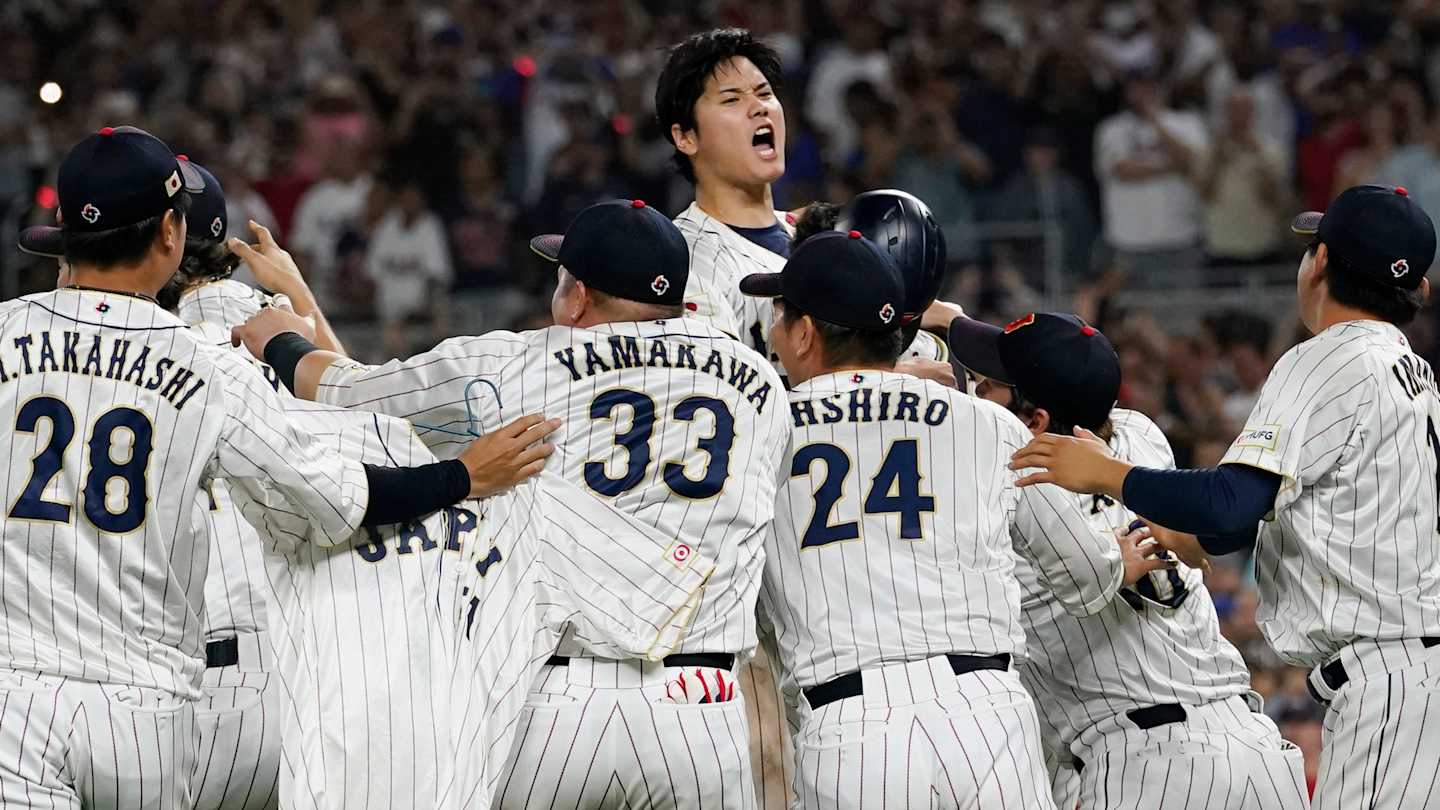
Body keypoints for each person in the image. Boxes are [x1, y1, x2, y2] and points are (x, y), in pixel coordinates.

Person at [0, 126, 537, 810]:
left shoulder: (6, 332)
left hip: (15, 693)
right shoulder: (208, 363)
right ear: (169, 232)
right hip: (144, 711)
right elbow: (337, 496)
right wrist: (461, 476)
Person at [232, 198, 792, 809]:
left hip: (556, 704)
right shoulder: (760, 385)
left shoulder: (511, 366)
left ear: (578, 297)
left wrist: (280, 338)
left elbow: (345, 392)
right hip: (701, 702)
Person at [1009, 184, 1440, 810]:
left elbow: (1229, 504)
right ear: (1417, 288)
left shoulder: (1328, 358)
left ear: (1319, 262)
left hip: (1391, 682)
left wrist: (1109, 475)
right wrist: (1193, 531)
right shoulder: (1412, 370)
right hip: (1410, 673)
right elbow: (1236, 524)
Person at [745, 232, 1161, 809]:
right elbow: (1086, 572)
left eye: (781, 315)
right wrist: (1115, 558)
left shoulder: (761, 432)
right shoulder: (989, 423)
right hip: (986, 717)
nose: (774, 332)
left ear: (806, 333)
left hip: (851, 728)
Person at [942, 310, 1308, 809]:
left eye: (990, 385)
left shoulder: (1008, 481)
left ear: (1037, 422)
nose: (977, 391)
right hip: (1252, 749)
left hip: (1149, 766)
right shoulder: (1141, 435)